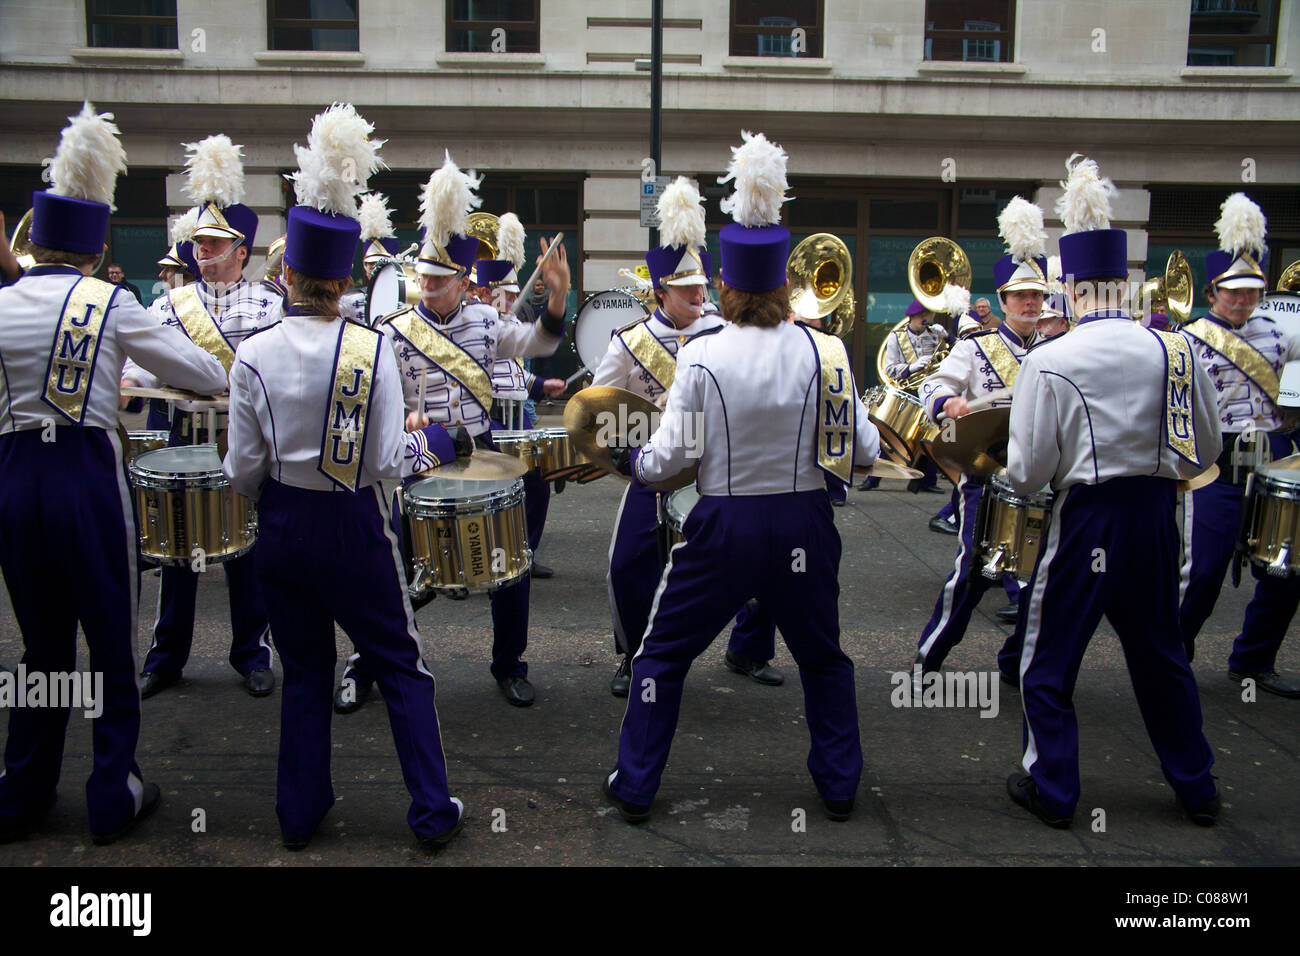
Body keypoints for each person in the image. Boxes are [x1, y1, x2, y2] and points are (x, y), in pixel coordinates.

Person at [602, 132, 880, 824]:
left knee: (661, 657)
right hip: (805, 524)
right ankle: (839, 785)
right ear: (785, 286)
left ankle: (636, 786)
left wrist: (632, 463)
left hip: (724, 525)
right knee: (823, 659)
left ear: (725, 286)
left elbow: (668, 462)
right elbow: (866, 451)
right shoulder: (830, 351)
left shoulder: (702, 356)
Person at [223, 104, 465, 850]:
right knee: (401, 666)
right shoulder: (371, 347)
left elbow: (240, 473)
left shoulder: (254, 356)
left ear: (289, 272)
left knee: (302, 672)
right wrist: (446, 443)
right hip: (357, 526)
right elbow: (392, 462)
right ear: (349, 276)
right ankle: (429, 812)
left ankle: (298, 815)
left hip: (285, 527)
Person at [0, 104, 227, 845]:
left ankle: (24, 791)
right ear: (95, 250)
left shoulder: (3, 305)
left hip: (11, 473)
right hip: (84, 472)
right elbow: (196, 370)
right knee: (110, 635)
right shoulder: (109, 301)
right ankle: (110, 790)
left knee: (40, 646)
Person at [1006, 154, 1221, 828]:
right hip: (1158, 515)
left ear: (1069, 286)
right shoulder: (1176, 349)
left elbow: (1028, 473)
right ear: (1125, 282)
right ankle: (1198, 787)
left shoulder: (1049, 357)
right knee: (1160, 657)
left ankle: (1055, 790)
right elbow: (1206, 450)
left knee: (1049, 659)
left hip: (1090, 518)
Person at [378, 152, 569, 707]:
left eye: (438, 280)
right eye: (422, 278)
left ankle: (509, 661)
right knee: (397, 564)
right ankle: (371, 658)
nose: (427, 288)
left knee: (510, 561)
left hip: (481, 451)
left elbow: (539, 344)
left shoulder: (487, 321)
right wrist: (402, 418)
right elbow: (377, 400)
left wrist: (555, 295)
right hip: (424, 454)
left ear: (463, 280)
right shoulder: (394, 329)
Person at [593, 176, 784, 698]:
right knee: (627, 562)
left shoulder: (726, 331)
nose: (700, 295)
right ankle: (633, 655)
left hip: (723, 465)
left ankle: (748, 649)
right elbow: (598, 409)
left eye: (702, 286)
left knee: (764, 550)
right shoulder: (629, 343)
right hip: (657, 463)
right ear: (660, 292)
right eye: (687, 289)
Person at [122, 134, 282, 699]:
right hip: (182, 432)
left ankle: (251, 652)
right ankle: (167, 656)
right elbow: (145, 366)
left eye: (215, 244)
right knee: (178, 548)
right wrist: (130, 384)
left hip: (238, 433)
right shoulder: (167, 304)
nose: (202, 252)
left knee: (246, 547)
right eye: (198, 243)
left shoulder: (269, 303)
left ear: (242, 250)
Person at [914, 196, 1046, 676]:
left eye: (1037, 295)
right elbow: (934, 385)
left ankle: (1016, 664)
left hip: (1041, 480)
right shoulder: (976, 348)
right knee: (972, 573)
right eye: (1020, 296)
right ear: (1005, 299)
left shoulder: (1059, 349)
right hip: (985, 477)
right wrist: (948, 404)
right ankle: (929, 658)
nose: (1030, 303)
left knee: (1038, 580)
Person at [1177, 193, 1300, 698]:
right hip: (1215, 459)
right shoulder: (1189, 337)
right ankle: (1173, 656)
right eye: (1233, 292)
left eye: (1251, 291)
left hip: (1273, 456)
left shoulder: (1282, 334)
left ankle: (1253, 661)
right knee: (1203, 569)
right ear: (1214, 292)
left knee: (1287, 569)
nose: (1243, 300)